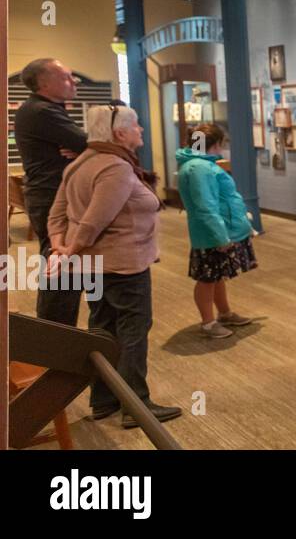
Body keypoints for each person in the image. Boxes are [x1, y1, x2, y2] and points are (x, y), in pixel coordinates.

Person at [46, 103, 182, 427]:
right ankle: (136, 405)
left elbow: (57, 214)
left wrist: (61, 246)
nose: (142, 130)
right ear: (120, 133)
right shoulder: (115, 168)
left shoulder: (81, 163)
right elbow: (95, 220)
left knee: (103, 329)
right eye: (137, 125)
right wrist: (69, 249)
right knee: (133, 331)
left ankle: (104, 399)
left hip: (92, 266)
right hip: (123, 267)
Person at [14, 58, 88, 325]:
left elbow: (83, 145)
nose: (74, 82)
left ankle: (54, 339)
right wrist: (85, 148)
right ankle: (56, 344)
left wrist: (80, 151)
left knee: (62, 268)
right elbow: (91, 143)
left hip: (49, 197)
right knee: (63, 268)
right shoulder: (42, 111)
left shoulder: (40, 109)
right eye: (67, 77)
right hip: (53, 200)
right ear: (44, 83)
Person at [176, 123, 257, 340]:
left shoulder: (198, 165)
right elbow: (206, 206)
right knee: (207, 278)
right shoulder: (200, 168)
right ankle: (208, 323)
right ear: (215, 143)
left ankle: (224, 313)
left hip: (218, 230)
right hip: (211, 233)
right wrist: (220, 236)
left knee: (216, 275)